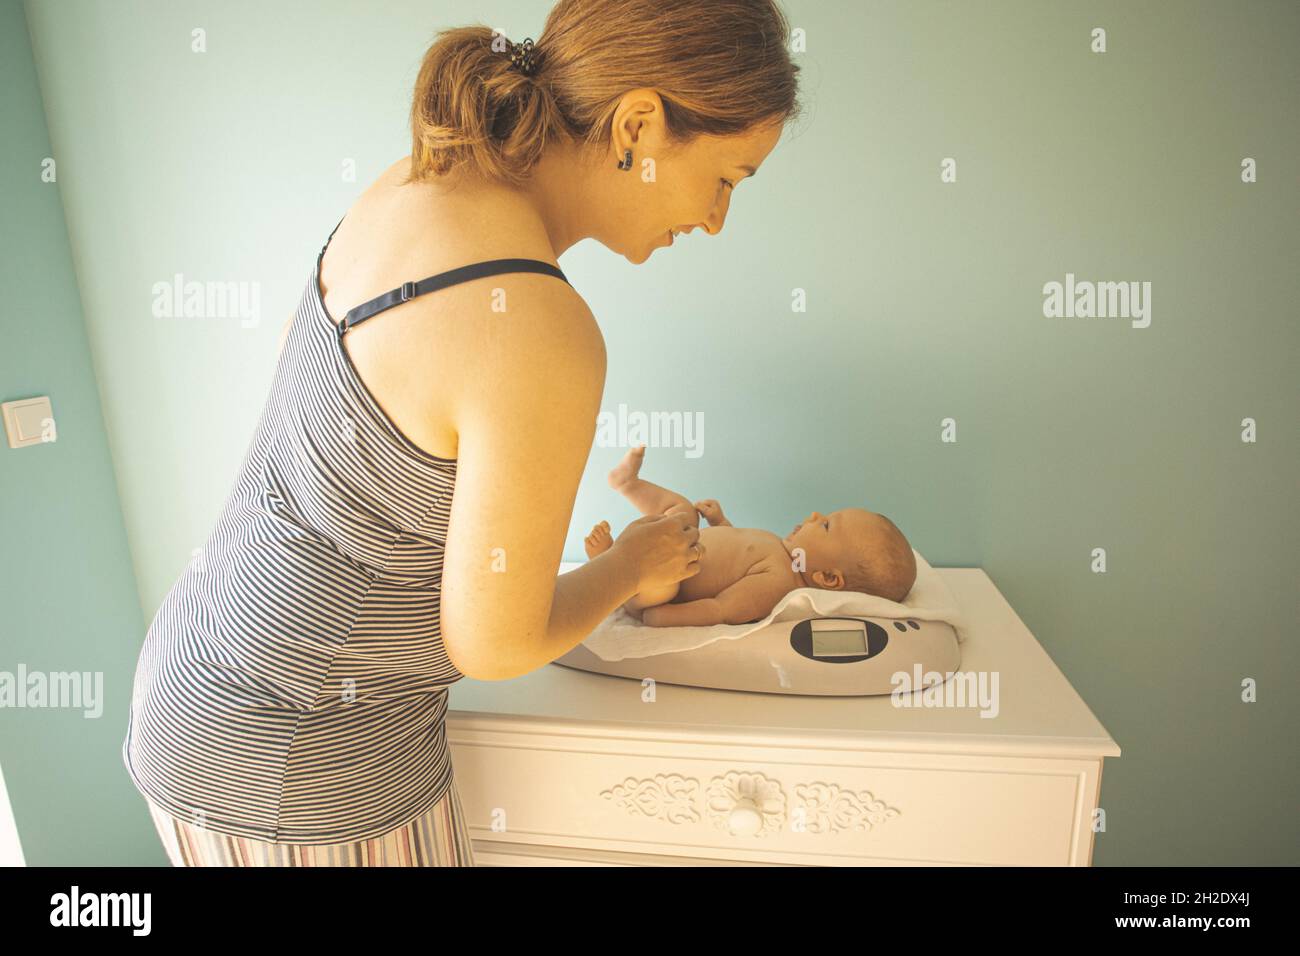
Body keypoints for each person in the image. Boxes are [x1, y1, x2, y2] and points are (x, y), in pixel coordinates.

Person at [122, 0, 802, 866]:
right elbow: (494, 641)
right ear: (638, 123)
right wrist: (630, 563)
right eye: (727, 178)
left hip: (196, 678)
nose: (716, 220)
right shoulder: (538, 326)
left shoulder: (415, 179)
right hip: (304, 766)